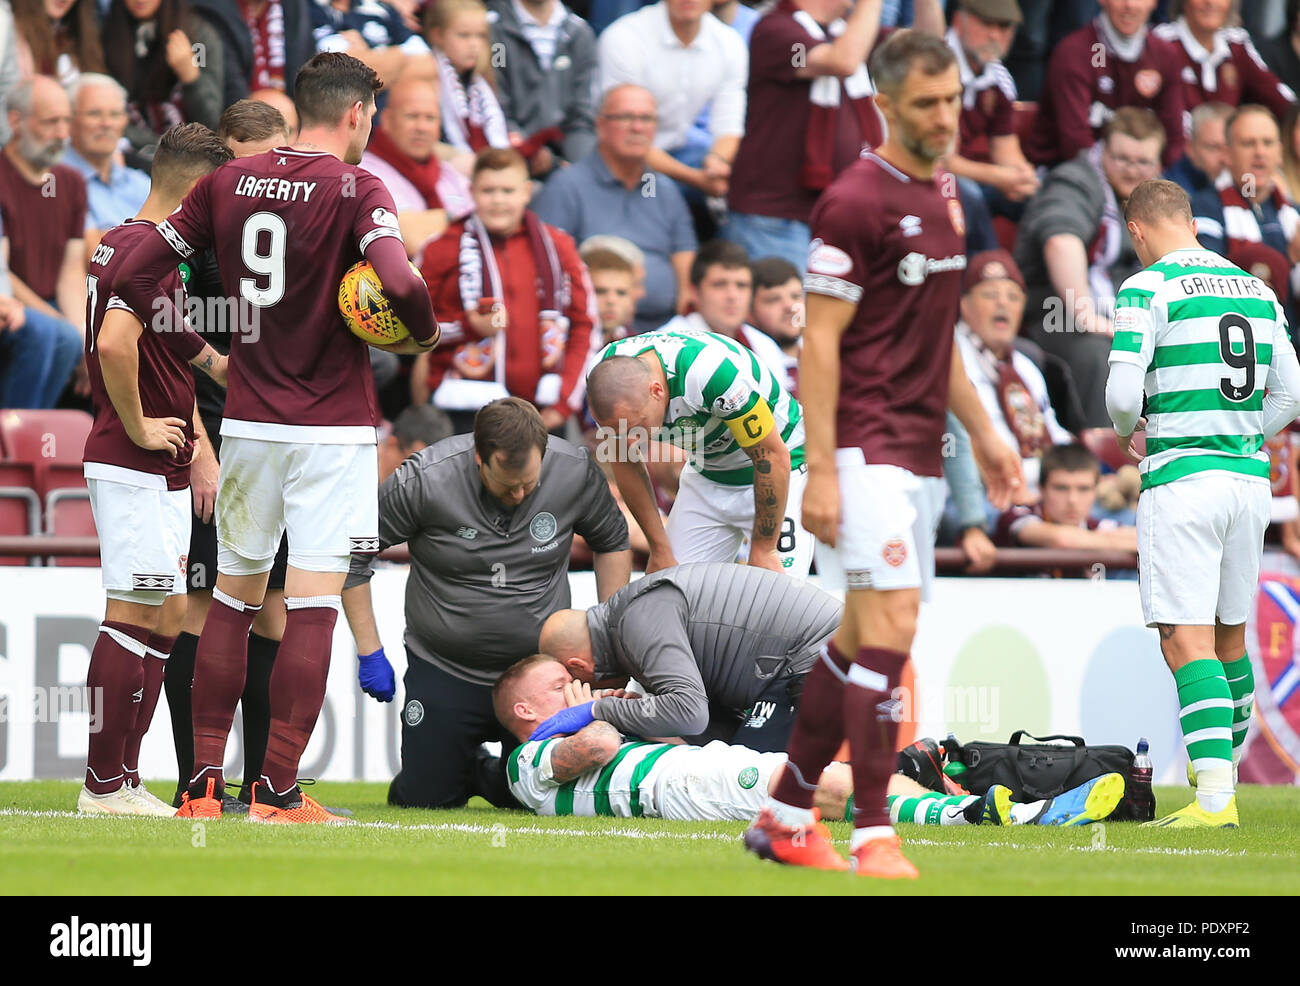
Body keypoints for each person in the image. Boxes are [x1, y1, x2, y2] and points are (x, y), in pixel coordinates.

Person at [115, 51, 440, 824]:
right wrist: (422, 335)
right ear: (358, 113)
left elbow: (134, 274)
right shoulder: (359, 186)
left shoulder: (225, 181)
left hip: (250, 424)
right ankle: (277, 792)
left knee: (229, 598)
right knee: (312, 604)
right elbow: (397, 282)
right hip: (331, 429)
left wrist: (204, 353)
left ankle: (199, 788)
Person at [745, 31, 1023, 878]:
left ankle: (787, 816)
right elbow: (819, 345)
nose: (946, 117)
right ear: (887, 102)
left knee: (861, 634)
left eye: (954, 101)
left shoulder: (945, 192)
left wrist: (985, 431)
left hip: (917, 451)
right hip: (862, 447)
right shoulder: (854, 201)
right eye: (929, 104)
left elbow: (938, 340)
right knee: (892, 627)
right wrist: (822, 467)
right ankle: (872, 832)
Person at [1106, 177, 1300, 827]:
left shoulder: (1147, 286)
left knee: (1183, 641)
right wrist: (1242, 432)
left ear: (1137, 230)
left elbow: (1121, 394)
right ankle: (1221, 766)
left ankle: (1215, 797)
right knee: (1228, 637)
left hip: (1183, 479)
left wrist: (1138, 429)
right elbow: (1292, 396)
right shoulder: (1258, 287)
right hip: (1249, 484)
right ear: (1189, 221)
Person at [342, 397, 631, 808]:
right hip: (445, 666)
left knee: (542, 803)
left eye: (528, 484)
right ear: (479, 457)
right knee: (425, 802)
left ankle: (489, 775)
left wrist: (610, 635)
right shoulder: (423, 480)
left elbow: (613, 541)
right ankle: (459, 766)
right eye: (505, 483)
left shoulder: (575, 471)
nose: (517, 494)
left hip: (538, 675)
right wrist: (370, 652)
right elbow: (354, 556)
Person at [498, 654, 1128, 827]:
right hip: (676, 787)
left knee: (835, 785)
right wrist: (582, 716)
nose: (577, 687)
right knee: (827, 786)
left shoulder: (549, 738)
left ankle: (972, 810)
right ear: (526, 709)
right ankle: (1001, 814)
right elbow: (601, 746)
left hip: (690, 772)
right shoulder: (527, 759)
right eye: (560, 685)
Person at [77, 122, 232, 816]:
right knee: (133, 611)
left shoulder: (131, 243)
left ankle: (127, 779)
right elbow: (115, 344)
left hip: (161, 464)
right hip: (130, 458)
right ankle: (102, 784)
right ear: (197, 189)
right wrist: (140, 425)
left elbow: (169, 338)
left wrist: (205, 410)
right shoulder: (146, 247)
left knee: (165, 614)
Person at [160, 99, 295, 813]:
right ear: (230, 147)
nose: (274, 173)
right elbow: (167, 349)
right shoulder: (196, 236)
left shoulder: (275, 228)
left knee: (271, 611)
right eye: (261, 157)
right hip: (215, 443)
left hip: (275, 442)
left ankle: (260, 785)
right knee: (204, 608)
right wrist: (202, 451)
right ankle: (196, 779)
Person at [722, 0, 944, 272]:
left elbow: (928, 46)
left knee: (831, 314)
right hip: (775, 219)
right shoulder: (775, 30)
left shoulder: (850, 34)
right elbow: (842, 61)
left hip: (839, 217)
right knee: (786, 315)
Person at [536, 563, 842, 751]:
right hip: (812, 657)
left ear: (578, 666)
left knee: (748, 778)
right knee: (729, 760)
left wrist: (597, 710)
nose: (586, 692)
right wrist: (633, 718)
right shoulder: (629, 621)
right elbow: (706, 733)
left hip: (819, 656)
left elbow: (690, 713)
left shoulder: (636, 620)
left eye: (578, 683)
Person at [586, 323, 811, 578]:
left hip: (781, 465)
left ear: (657, 390)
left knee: (777, 597)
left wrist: (764, 549)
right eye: (617, 431)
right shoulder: (603, 378)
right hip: (708, 470)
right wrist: (659, 549)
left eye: (636, 426)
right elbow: (624, 462)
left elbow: (771, 455)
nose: (629, 438)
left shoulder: (710, 373)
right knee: (667, 589)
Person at [412, 146, 595, 433]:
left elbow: (585, 325)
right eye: (488, 191)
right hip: (462, 412)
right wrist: (467, 326)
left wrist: (563, 405)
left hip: (540, 412)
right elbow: (410, 326)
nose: (498, 200)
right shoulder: (441, 247)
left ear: (526, 192)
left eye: (507, 191)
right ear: (471, 191)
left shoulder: (559, 247)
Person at [1015, 107, 1165, 429]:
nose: (1132, 170)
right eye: (1122, 159)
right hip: (1056, 314)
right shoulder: (1075, 180)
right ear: (1102, 151)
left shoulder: (1155, 197)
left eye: (1143, 162)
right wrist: (1085, 315)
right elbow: (1061, 241)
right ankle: (1105, 464)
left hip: (1125, 315)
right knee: (1102, 356)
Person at [531, 84, 697, 334]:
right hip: (592, 331)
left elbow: (685, 256)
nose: (638, 127)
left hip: (665, 332)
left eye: (646, 119)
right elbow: (545, 269)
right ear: (601, 125)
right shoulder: (567, 186)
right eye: (626, 117)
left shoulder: (664, 189)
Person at [597, 0, 747, 202]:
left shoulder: (730, 42)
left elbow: (729, 125)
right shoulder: (624, 37)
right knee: (652, 192)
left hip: (684, 153)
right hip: (623, 156)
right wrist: (696, 179)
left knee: (751, 174)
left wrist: (716, 162)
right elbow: (624, 135)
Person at [955, 249, 1071, 495]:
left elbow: (1052, 431)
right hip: (983, 491)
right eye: (990, 294)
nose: (1003, 303)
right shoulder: (952, 360)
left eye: (1013, 297)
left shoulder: (1025, 367)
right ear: (964, 305)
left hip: (1044, 488)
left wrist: (1086, 462)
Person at [0, 74, 86, 403]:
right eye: (51, 122)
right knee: (58, 336)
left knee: (99, 338)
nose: (63, 134)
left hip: (52, 306)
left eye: (67, 121)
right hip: (12, 301)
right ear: (16, 121)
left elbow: (69, 273)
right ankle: (21, 439)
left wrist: (82, 333)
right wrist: (67, 330)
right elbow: (4, 272)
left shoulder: (71, 181)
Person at [1024, 0, 1185, 169]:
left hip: (1141, 177)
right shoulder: (1075, 52)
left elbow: (1174, 140)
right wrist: (1130, 176)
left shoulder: (1165, 55)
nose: (1129, 5)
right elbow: (1075, 143)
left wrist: (1153, 181)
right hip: (1066, 173)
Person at [941, 0, 1040, 219]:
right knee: (967, 194)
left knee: (1038, 198)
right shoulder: (937, 67)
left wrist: (1022, 176)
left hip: (974, 175)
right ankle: (985, 254)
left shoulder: (999, 79)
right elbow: (942, 160)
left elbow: (1005, 146)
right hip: (925, 174)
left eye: (1004, 27)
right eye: (986, 24)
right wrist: (1000, 176)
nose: (995, 36)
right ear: (959, 21)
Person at [359, 75, 473, 259]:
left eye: (430, 118)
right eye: (412, 116)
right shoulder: (363, 173)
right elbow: (406, 238)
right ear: (387, 120)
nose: (422, 127)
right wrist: (462, 221)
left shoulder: (452, 176)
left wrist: (433, 223)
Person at [101, 0, 225, 166]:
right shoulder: (106, 35)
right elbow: (103, 115)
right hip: (126, 154)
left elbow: (211, 123)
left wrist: (191, 77)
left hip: (189, 158)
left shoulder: (198, 36)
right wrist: (159, 145)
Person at [1192, 105, 1299, 296]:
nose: (1260, 152)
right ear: (1227, 154)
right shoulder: (1204, 207)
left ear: (1280, 154)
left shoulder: (1294, 213)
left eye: (1267, 143)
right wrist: (1290, 259)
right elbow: (1208, 279)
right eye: (1248, 143)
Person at [659, 239, 792, 390]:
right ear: (694, 291)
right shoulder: (667, 344)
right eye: (720, 284)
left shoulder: (765, 346)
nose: (732, 295)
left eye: (741, 285)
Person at [486, 0, 598, 175]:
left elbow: (582, 116)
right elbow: (496, 105)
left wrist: (578, 169)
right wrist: (528, 149)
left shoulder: (580, 33)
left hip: (565, 160)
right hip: (509, 158)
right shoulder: (494, 31)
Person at [1152, 0, 1294, 120]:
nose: (1210, 3)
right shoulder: (1161, 44)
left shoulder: (1236, 44)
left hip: (1228, 149)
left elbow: (1280, 99)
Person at [994, 442, 1137, 558]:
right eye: (1061, 488)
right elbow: (1062, 540)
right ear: (1041, 489)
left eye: (1083, 489)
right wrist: (1117, 542)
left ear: (1095, 491)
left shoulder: (1097, 526)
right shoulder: (1016, 515)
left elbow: (1144, 539)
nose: (1072, 500)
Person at [63, 74, 152, 256]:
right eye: (94, 113)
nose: (106, 124)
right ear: (70, 121)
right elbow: (95, 259)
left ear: (125, 121)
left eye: (114, 114)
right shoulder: (56, 182)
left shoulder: (141, 183)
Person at [191, 0, 316, 111]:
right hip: (240, 123)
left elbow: (308, 73)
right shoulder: (209, 9)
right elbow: (229, 86)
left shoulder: (294, 5)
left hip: (292, 120)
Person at [425, 0, 510, 154]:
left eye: (481, 36)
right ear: (437, 35)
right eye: (464, 35)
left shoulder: (482, 81)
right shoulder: (428, 79)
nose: (474, 45)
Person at [1165, 101, 1232, 197]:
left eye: (1231, 147)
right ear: (1190, 147)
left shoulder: (1248, 186)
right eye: (1214, 148)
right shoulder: (1169, 195)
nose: (1225, 159)